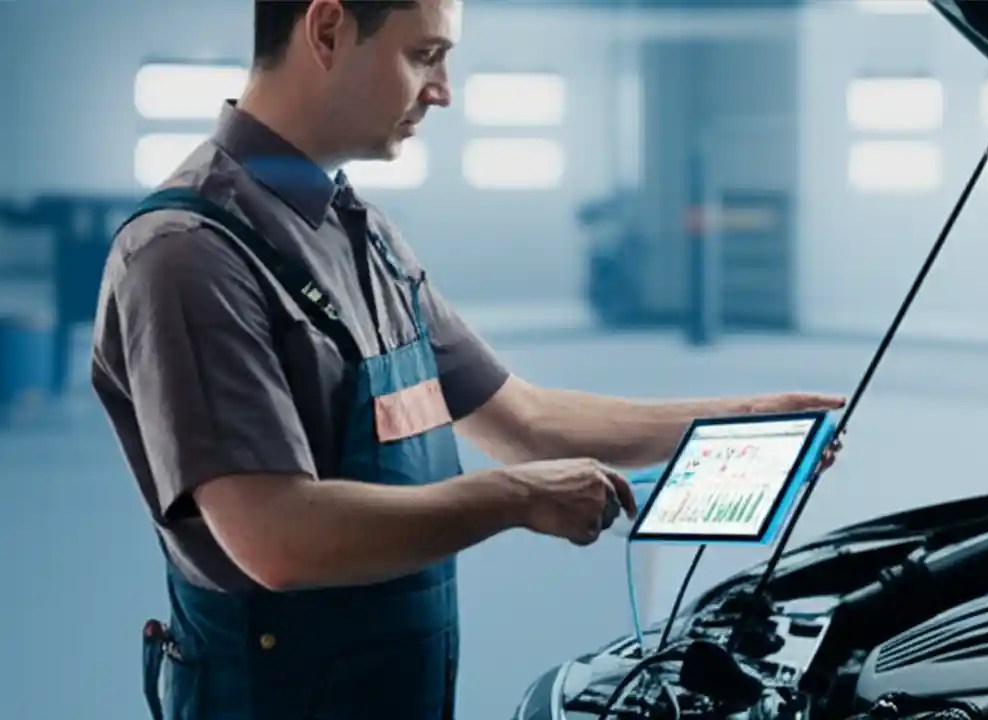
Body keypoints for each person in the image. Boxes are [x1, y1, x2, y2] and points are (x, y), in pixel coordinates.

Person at [90, 1, 846, 718]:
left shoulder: (365, 234)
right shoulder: (188, 256)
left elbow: (525, 418)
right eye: (424, 55)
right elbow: (278, 539)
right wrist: (512, 499)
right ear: (326, 30)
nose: (443, 91)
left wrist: (743, 420)